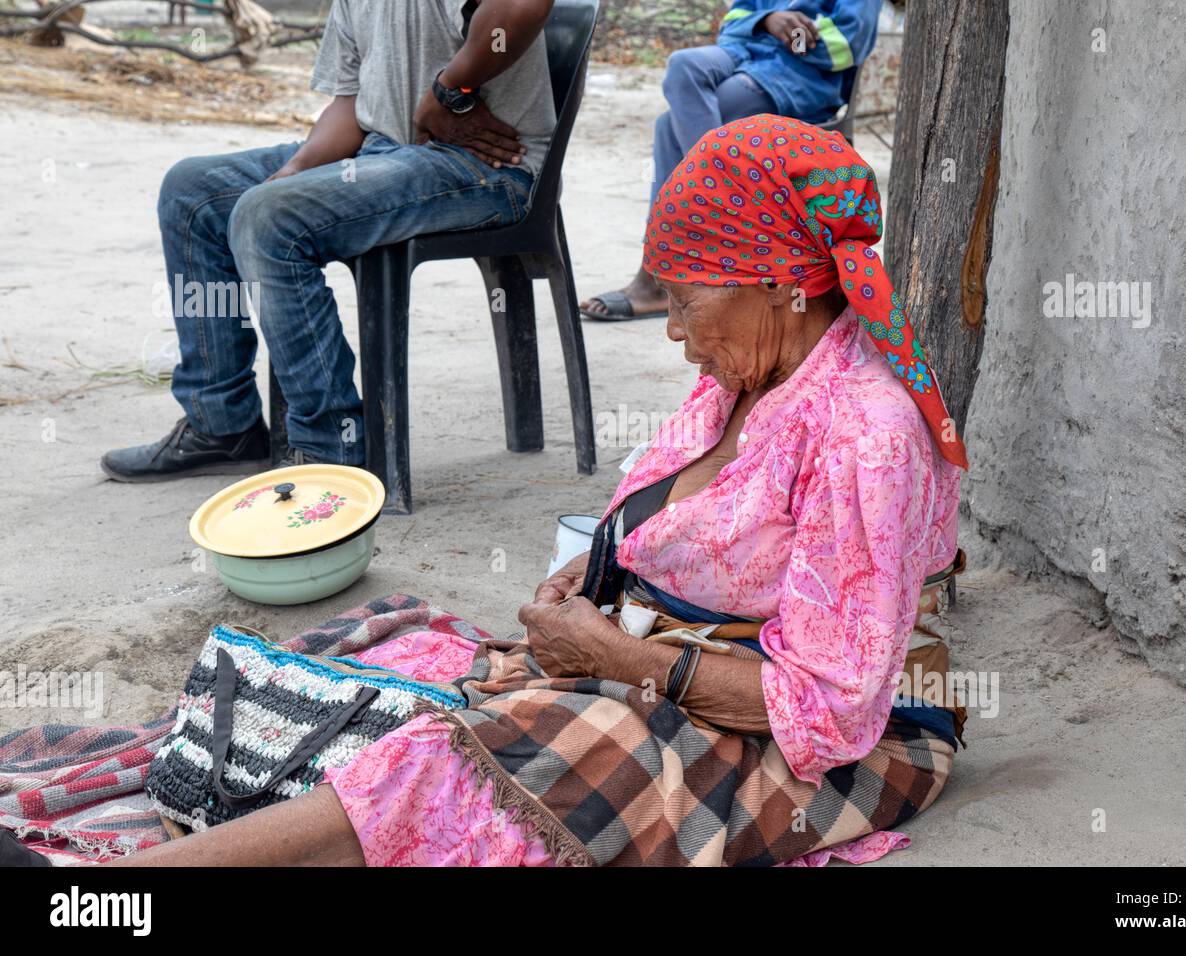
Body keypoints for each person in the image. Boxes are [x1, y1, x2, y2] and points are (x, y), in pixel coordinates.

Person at [108, 116, 969, 867]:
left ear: (780, 280)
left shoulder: (866, 435)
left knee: (495, 762)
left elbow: (829, 712)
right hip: (678, 666)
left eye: (683, 298)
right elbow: (676, 528)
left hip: (816, 747)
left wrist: (616, 659)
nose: (671, 331)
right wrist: (590, 579)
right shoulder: (749, 374)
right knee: (392, 652)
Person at [100, 0, 556, 482]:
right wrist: (293, 172)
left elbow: (524, 6)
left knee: (268, 218)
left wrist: (450, 90)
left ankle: (330, 448)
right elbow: (352, 106)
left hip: (486, 167)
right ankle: (223, 427)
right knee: (193, 192)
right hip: (380, 152)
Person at [579, 0, 883, 321]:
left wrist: (790, 36)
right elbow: (732, 23)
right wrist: (767, 20)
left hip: (795, 77)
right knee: (682, 64)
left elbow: (849, 44)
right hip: (744, 58)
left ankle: (658, 271)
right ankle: (717, 218)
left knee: (669, 126)